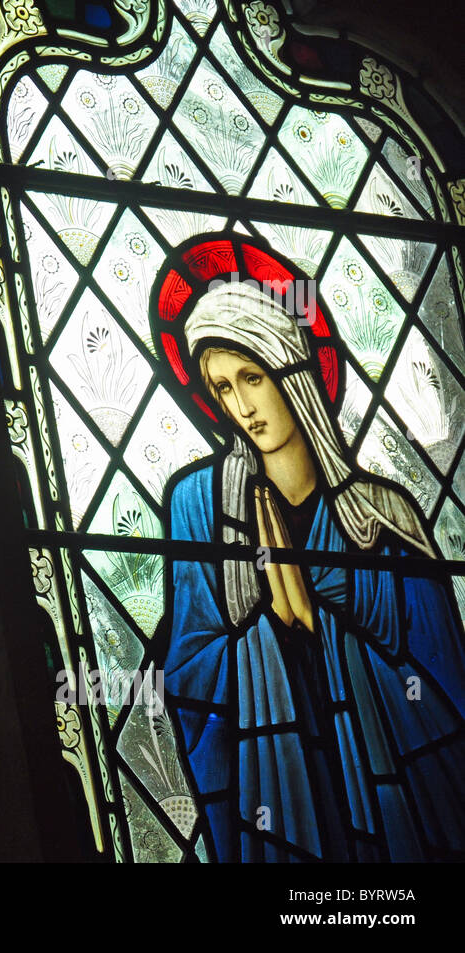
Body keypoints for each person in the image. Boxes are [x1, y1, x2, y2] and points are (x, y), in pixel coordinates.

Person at [161, 263, 465, 862]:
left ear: (294, 375)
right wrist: (270, 629)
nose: (240, 406)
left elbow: (446, 680)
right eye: (221, 388)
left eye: (252, 377)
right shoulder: (198, 506)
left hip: (399, 807)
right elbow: (187, 672)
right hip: (279, 807)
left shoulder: (379, 515)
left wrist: (330, 620)